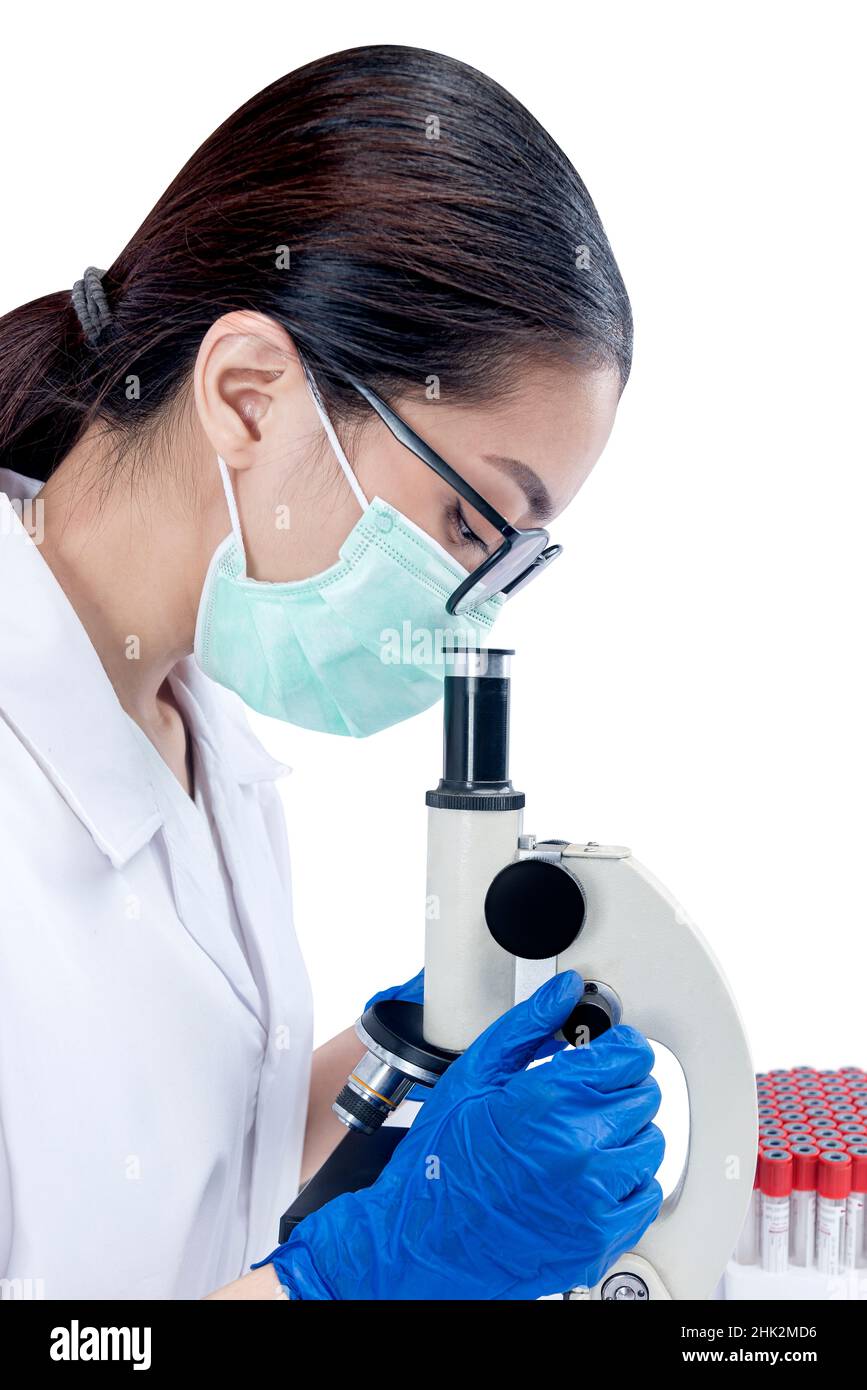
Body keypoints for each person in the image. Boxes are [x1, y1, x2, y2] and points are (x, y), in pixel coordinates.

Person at [0, 44, 663, 1301]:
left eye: (514, 558)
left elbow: (177, 1165)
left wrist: (411, 1051)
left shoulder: (194, 729)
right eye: (472, 522)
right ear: (251, 397)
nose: (468, 611)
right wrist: (363, 1281)